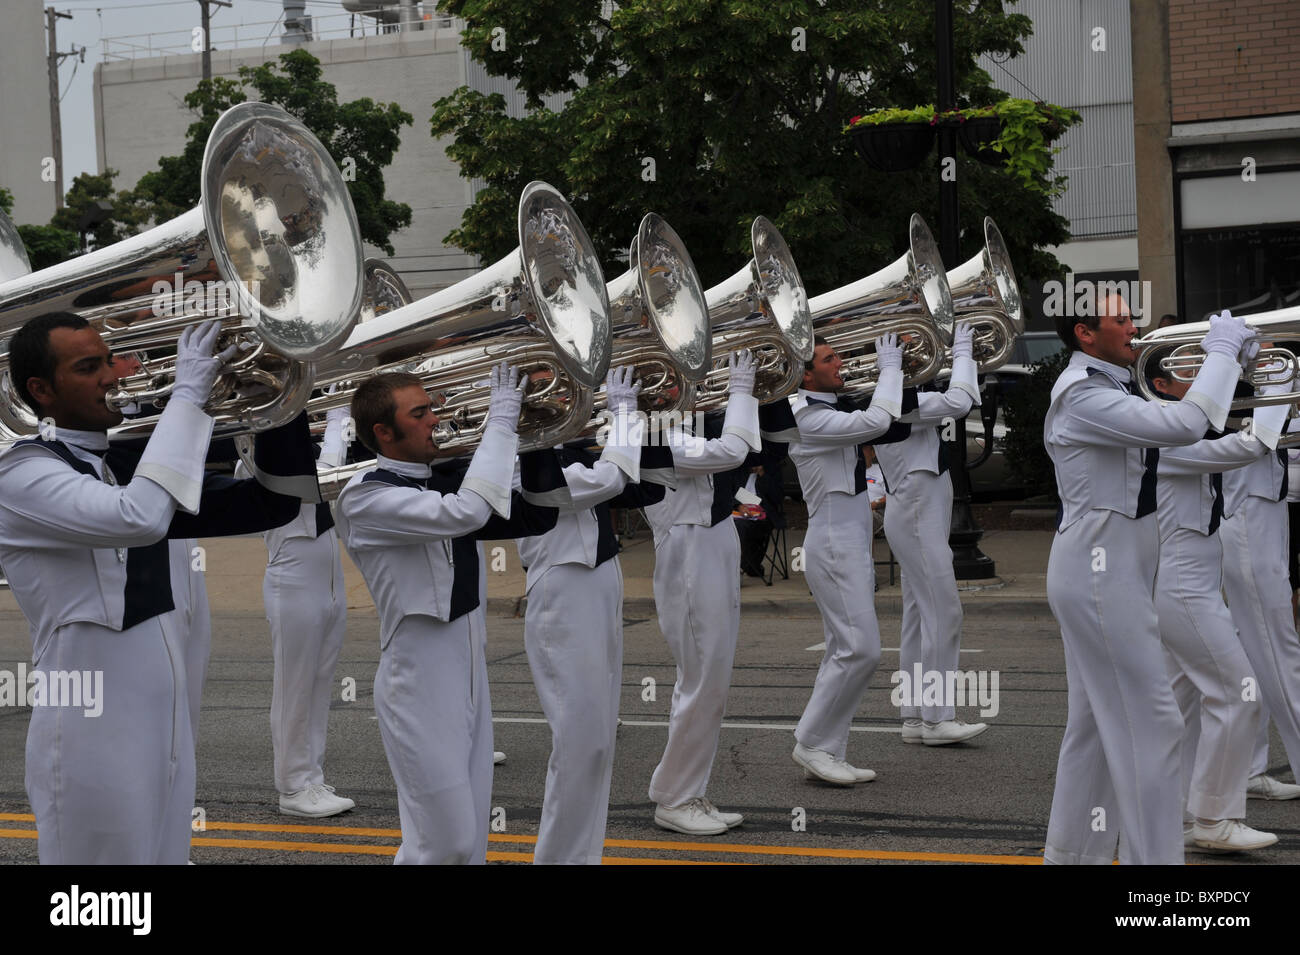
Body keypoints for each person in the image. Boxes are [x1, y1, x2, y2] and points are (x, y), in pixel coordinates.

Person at [0, 314, 307, 864]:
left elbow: (270, 503)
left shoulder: (117, 462)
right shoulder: (21, 475)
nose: (111, 377)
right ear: (40, 391)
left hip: (162, 712)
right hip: (87, 718)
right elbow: (136, 519)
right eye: (87, 368)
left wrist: (275, 395)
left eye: (108, 360)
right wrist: (187, 395)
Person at [1042, 297, 1253, 865]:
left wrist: (1232, 365)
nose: (1134, 326)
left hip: (1113, 571)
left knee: (1092, 729)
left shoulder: (1115, 386)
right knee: (1154, 725)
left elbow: (1193, 420)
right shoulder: (1082, 394)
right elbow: (1187, 425)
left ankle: (1071, 858)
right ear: (1085, 334)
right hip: (1097, 572)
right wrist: (1222, 352)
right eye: (1119, 320)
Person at [334, 367, 556, 864]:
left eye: (432, 407)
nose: (436, 419)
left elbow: (542, 511)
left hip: (468, 665)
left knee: (468, 841)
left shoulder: (441, 478)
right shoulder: (365, 495)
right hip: (418, 679)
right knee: (445, 841)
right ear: (383, 434)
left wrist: (538, 427)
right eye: (421, 413)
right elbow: (464, 514)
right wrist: (500, 418)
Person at [516, 365, 669, 864]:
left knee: (598, 742)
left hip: (600, 576)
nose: (562, 393)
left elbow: (647, 486)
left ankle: (582, 857)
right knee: (580, 744)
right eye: (546, 385)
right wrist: (623, 415)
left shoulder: (569, 445)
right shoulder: (515, 453)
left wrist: (652, 415)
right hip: (561, 587)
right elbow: (604, 479)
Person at [1147, 353, 1286, 850]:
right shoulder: (1163, 433)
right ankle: (1214, 820)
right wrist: (1280, 384)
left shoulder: (1183, 429)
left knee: (1181, 704)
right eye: (1193, 373)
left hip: (1192, 578)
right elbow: (1249, 448)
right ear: (1160, 385)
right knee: (1240, 691)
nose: (1208, 380)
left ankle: (1183, 814)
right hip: (1182, 581)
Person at [643, 350, 759, 836]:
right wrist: (740, 388)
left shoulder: (680, 424)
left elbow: (750, 451)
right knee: (700, 677)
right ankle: (675, 797)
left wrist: (748, 391)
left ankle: (688, 789)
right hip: (687, 551)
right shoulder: (640, 434)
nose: (681, 388)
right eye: (668, 383)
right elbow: (732, 450)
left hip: (714, 540)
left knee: (712, 677)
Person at [786, 333, 903, 784]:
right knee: (861, 649)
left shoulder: (829, 408)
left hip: (849, 543)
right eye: (829, 358)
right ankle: (813, 742)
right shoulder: (806, 416)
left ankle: (827, 749)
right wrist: (889, 366)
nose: (841, 363)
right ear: (805, 374)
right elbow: (879, 420)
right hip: (833, 545)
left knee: (844, 648)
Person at [873, 322, 987, 745]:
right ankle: (938, 718)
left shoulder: (899, 394)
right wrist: (961, 352)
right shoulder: (893, 400)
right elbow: (960, 402)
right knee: (945, 610)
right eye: (901, 352)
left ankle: (916, 715)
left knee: (920, 614)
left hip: (924, 502)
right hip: (917, 506)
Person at [254, 401, 354, 817]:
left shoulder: (307, 457)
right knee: (295, 689)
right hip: (293, 579)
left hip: (327, 575)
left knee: (318, 684)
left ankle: (311, 776)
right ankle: (293, 786)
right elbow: (325, 477)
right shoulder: (260, 463)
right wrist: (336, 421)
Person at [1220, 383, 1300, 803]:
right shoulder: (1239, 379)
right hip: (1248, 512)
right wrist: (1279, 383)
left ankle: (1248, 767)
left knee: (1254, 654)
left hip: (1269, 509)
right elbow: (1258, 440)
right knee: (1278, 648)